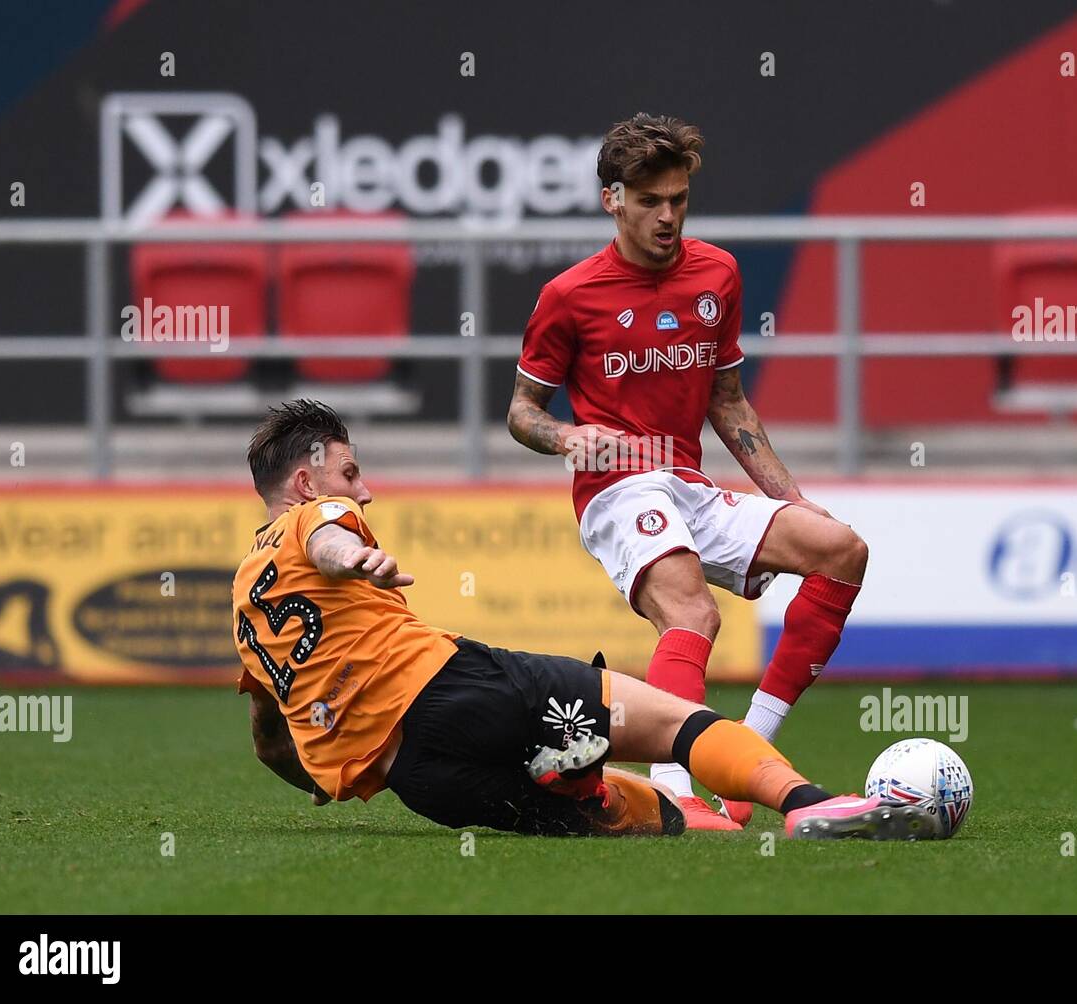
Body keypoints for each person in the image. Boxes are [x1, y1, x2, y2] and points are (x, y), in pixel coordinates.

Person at [231, 400, 933, 841]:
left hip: (423, 783)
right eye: (351, 474)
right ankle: (806, 802)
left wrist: (325, 781)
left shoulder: (244, 604)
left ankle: (584, 780)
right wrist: (357, 559)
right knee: (669, 722)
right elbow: (329, 540)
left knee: (626, 815)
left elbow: (270, 745)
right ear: (307, 480)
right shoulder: (317, 519)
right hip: (454, 690)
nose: (365, 490)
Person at [507, 113, 868, 829]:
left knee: (842, 551)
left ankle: (743, 758)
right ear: (613, 199)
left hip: (688, 483)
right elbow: (521, 410)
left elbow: (728, 401)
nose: (667, 215)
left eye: (677, 199)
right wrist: (566, 436)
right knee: (692, 612)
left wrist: (794, 502)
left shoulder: (717, 273)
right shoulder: (570, 295)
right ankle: (674, 791)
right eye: (649, 201)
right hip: (615, 487)